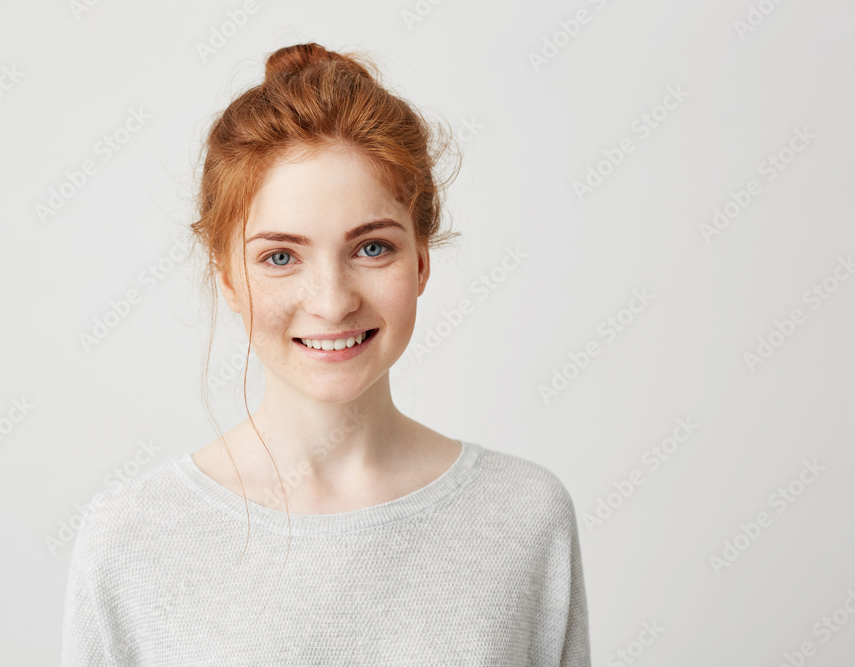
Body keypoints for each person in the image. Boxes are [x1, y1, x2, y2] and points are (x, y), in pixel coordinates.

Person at [62, 42, 591, 666]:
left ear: (421, 260)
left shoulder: (525, 517)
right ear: (228, 279)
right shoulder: (132, 538)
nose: (332, 302)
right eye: (280, 257)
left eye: (371, 249)